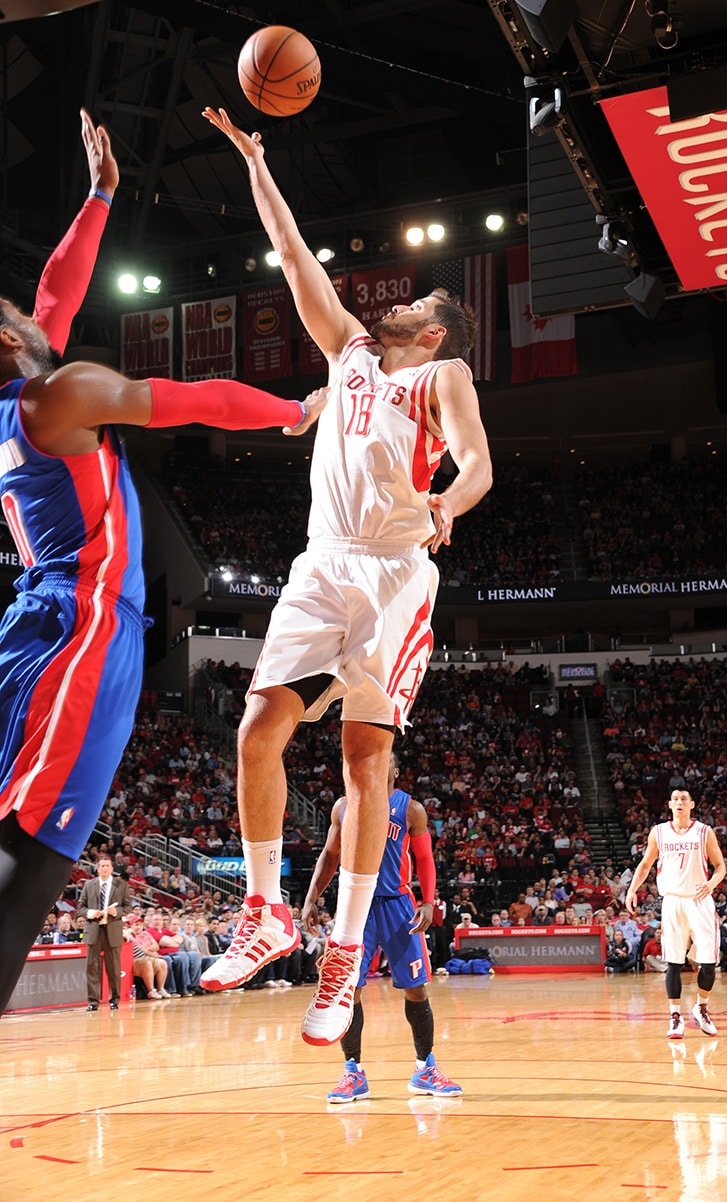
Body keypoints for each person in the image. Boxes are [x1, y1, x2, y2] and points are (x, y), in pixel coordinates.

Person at [0, 162, 326, 1017]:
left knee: (16, 826)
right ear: (10, 345)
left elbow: (53, 293)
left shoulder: (21, 404)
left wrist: (100, 195)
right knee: (30, 850)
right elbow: (193, 401)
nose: (32, 312)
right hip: (82, 624)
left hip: (29, 627)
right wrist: (290, 414)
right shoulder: (58, 395)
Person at [198, 106, 493, 1050]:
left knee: (366, 760)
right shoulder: (348, 352)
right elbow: (292, 256)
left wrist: (452, 500)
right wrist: (254, 163)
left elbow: (480, 461)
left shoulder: (442, 380)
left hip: (397, 576)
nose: (401, 303)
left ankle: (345, 951)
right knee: (256, 730)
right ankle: (265, 911)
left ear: (441, 333)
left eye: (421, 306)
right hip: (323, 563)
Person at [302, 755, 461, 1100]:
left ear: (396, 771)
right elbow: (330, 856)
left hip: (396, 904)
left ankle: (425, 1069)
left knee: (416, 989)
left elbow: (425, 859)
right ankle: (352, 1073)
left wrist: (429, 900)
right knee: (350, 991)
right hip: (354, 907)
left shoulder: (410, 810)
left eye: (385, 760)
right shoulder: (344, 807)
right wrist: (312, 897)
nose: (375, 764)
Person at [625, 789, 726, 1041]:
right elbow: (645, 865)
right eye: (675, 799)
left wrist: (711, 884)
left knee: (708, 962)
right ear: (669, 804)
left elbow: (720, 866)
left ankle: (701, 1008)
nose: (680, 802)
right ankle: (675, 1016)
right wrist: (631, 890)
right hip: (671, 902)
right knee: (674, 962)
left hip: (699, 900)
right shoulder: (658, 832)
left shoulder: (704, 831)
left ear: (691, 804)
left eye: (684, 799)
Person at [76, 852, 133, 1010]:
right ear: (98, 869)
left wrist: (116, 912)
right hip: (94, 931)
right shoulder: (89, 885)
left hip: (112, 930)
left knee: (114, 969)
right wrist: (91, 913)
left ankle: (114, 999)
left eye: (108, 866)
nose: (105, 868)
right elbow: (80, 908)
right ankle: (92, 1002)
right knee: (91, 967)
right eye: (102, 866)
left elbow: (128, 907)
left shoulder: (121, 886)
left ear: (112, 868)